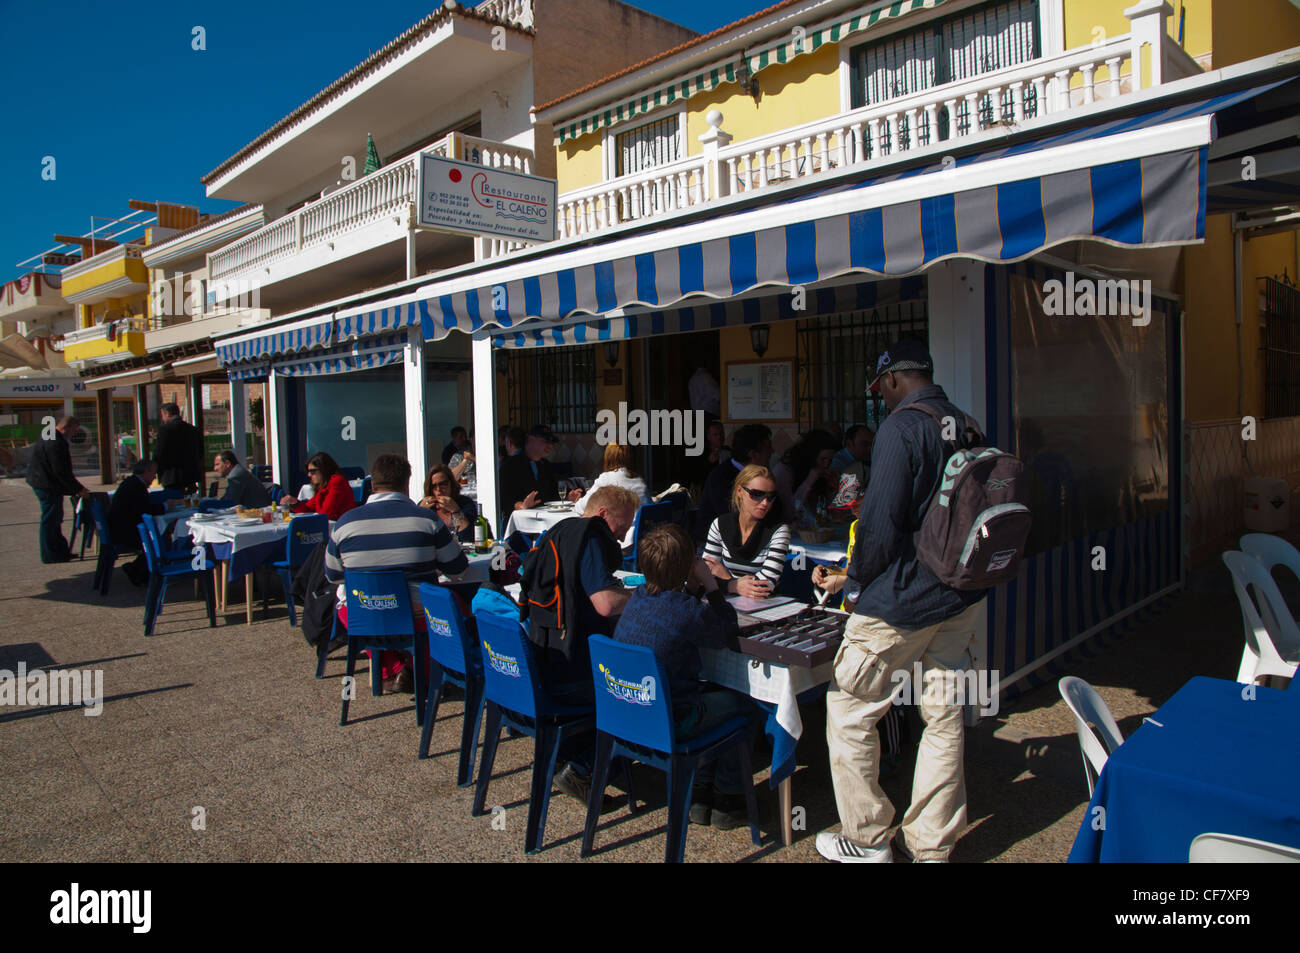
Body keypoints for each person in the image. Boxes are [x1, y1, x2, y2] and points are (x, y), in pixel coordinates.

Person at [817, 340, 987, 865]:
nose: (879, 399)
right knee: (942, 716)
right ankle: (932, 845)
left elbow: (879, 525)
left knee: (849, 710)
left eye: (879, 388)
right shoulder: (966, 423)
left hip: (903, 599)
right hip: (960, 596)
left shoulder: (900, 428)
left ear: (892, 380)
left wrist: (855, 582)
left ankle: (867, 839)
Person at [614, 522, 756, 829]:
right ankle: (728, 798)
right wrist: (712, 586)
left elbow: (678, 611)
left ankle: (701, 789)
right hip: (674, 720)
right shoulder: (687, 611)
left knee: (710, 693)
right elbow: (725, 631)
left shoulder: (639, 597)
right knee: (745, 703)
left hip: (630, 712)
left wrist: (691, 584)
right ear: (687, 565)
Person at [519, 484, 639, 803]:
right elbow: (605, 604)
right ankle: (582, 769)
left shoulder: (556, 530)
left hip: (545, 660)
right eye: (622, 526)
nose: (622, 536)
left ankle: (565, 754)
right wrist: (643, 596)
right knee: (642, 697)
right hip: (573, 674)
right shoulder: (591, 535)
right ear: (602, 515)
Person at [325, 453, 468, 693]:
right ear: (406, 483)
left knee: (345, 605)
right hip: (418, 616)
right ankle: (419, 668)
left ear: (372, 485)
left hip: (366, 613)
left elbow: (333, 576)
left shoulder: (344, 524)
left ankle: (393, 669)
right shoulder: (427, 521)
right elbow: (458, 568)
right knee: (455, 606)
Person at [703, 464, 790, 598]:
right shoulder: (720, 524)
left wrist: (728, 580)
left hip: (765, 607)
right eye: (756, 494)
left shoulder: (779, 531)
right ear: (739, 492)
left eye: (771, 496)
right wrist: (733, 585)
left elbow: (764, 586)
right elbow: (704, 575)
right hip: (728, 601)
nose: (765, 502)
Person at [26, 416, 89, 563]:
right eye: (74, 429)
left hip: (42, 481)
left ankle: (60, 551)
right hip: (47, 485)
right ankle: (51, 554)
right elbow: (61, 471)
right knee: (51, 519)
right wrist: (78, 489)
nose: (75, 433)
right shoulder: (56, 443)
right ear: (66, 427)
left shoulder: (48, 435)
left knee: (54, 518)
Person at [695, 423, 773, 543]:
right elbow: (732, 519)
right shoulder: (721, 477)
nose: (771, 452)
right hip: (717, 546)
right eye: (768, 448)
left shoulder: (761, 476)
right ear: (753, 455)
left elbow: (775, 508)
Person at [573, 443, 649, 548]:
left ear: (607, 458)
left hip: (622, 541)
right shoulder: (639, 480)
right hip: (643, 538)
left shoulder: (607, 478)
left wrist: (577, 501)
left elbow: (584, 507)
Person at [498, 424, 580, 513]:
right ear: (530, 439)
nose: (550, 445)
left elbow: (552, 493)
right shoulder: (511, 465)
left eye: (552, 442)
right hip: (520, 523)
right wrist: (521, 505)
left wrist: (568, 497)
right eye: (546, 440)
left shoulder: (545, 465)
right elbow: (503, 499)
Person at [108, 459, 166, 586]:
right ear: (146, 472)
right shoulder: (136, 486)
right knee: (160, 538)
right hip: (125, 532)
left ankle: (140, 569)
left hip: (121, 528)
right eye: (153, 474)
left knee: (159, 535)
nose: (154, 478)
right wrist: (166, 506)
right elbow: (144, 511)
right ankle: (139, 569)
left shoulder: (131, 483)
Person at [771, 429, 840, 521]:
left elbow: (830, 513)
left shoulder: (823, 474)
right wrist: (808, 482)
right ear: (811, 456)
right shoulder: (785, 470)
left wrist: (833, 489)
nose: (826, 465)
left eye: (830, 460)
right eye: (823, 459)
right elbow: (787, 512)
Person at [419, 463, 479, 542]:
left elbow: (468, 538)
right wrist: (419, 512)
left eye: (443, 484)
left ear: (451, 484)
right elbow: (416, 536)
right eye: (433, 486)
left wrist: (456, 511)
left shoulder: (464, 503)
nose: (438, 489)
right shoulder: (426, 505)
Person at [287, 452, 356, 521]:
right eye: (308, 471)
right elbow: (309, 509)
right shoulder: (323, 485)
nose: (309, 475)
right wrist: (294, 503)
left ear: (324, 469)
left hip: (342, 526)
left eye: (312, 471)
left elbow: (326, 514)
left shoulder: (337, 481)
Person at [154, 402, 204, 493]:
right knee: (190, 502)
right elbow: (201, 452)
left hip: (171, 476)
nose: (163, 419)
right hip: (191, 476)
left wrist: (155, 469)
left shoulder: (165, 430)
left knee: (174, 503)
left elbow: (159, 453)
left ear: (167, 414)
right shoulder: (193, 429)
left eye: (163, 415)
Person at [830, 424, 874, 509]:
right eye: (864, 444)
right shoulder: (838, 463)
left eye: (872, 444)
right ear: (849, 444)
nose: (869, 449)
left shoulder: (867, 460)